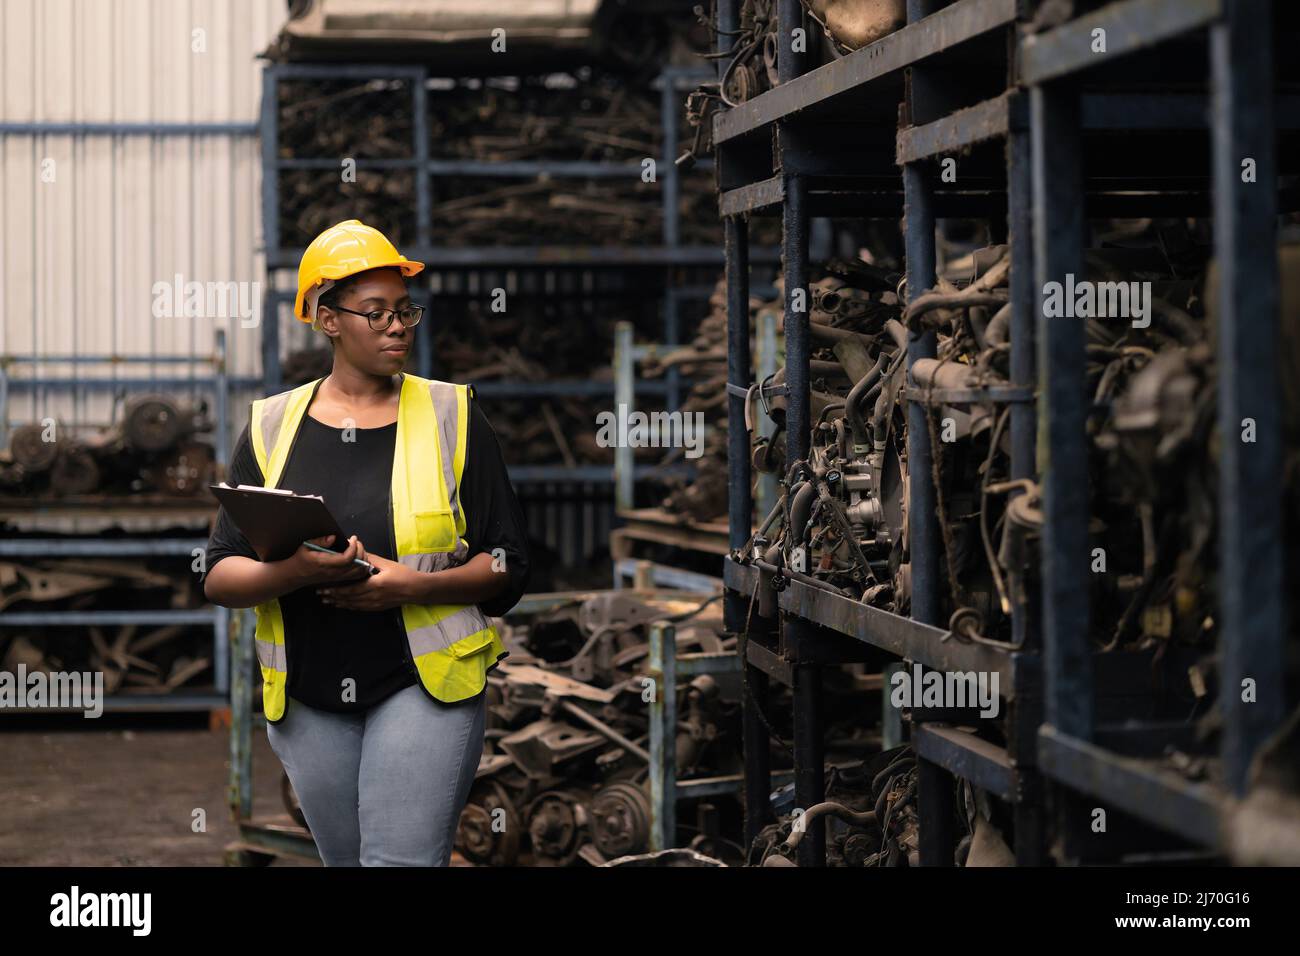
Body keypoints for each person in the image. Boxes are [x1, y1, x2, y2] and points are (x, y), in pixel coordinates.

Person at [204, 219, 530, 866]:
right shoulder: (271, 426)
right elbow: (219, 574)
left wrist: (415, 586)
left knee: (399, 862)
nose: (397, 326)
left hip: (422, 684)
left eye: (404, 310)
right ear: (328, 320)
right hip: (307, 696)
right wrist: (294, 572)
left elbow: (509, 564)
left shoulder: (452, 414)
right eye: (375, 313)